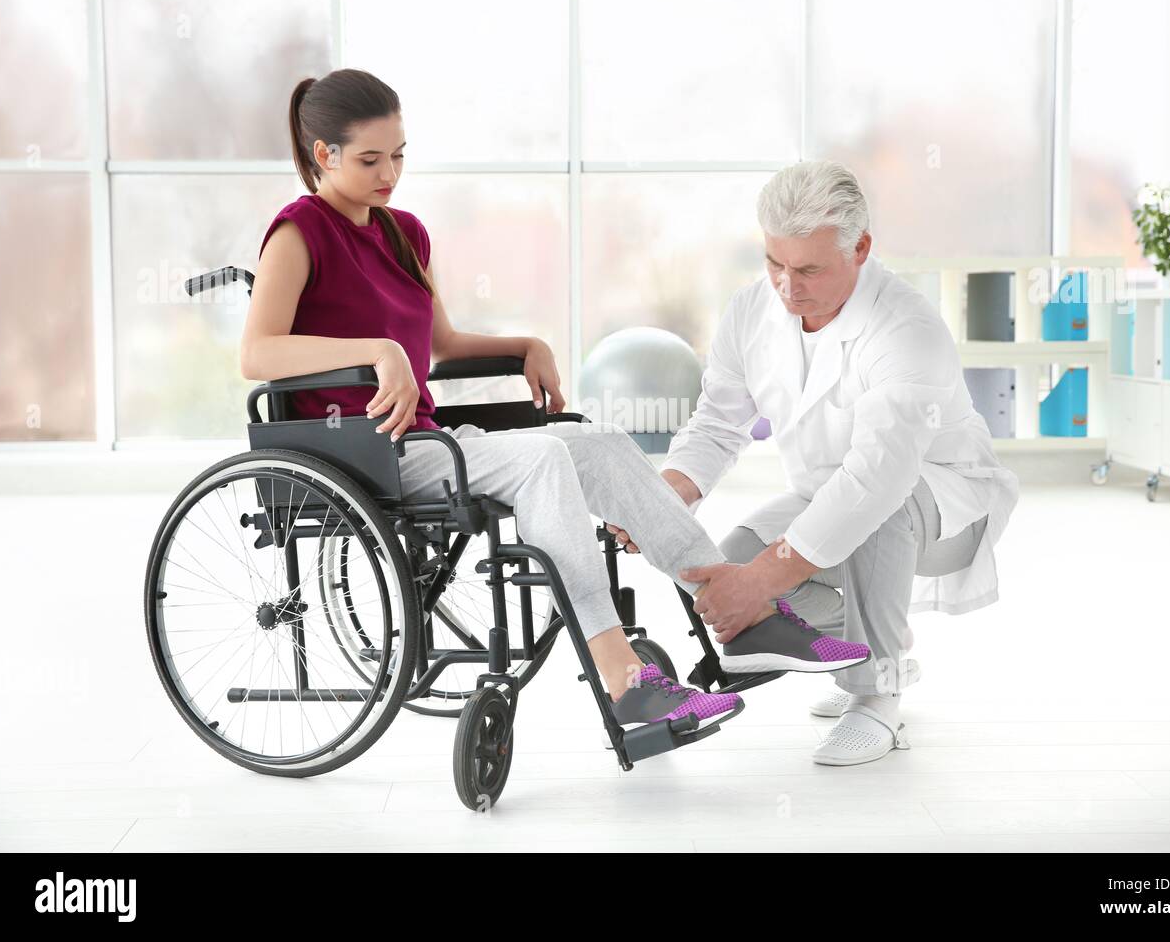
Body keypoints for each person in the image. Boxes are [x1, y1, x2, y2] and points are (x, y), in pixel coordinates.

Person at [240, 70, 870, 729]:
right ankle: (623, 677)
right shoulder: (300, 232)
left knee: (598, 441)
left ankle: (744, 617)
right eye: (370, 160)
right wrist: (376, 351)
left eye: (398, 155)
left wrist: (523, 344)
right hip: (363, 449)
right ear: (323, 155)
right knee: (543, 460)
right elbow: (257, 354)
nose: (389, 173)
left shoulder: (403, 234)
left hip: (428, 443)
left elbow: (442, 342)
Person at [612, 161, 1019, 764]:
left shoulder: (906, 329)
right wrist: (662, 500)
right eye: (774, 262)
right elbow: (717, 425)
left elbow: (876, 483)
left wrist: (761, 582)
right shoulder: (752, 311)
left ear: (861, 249)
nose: (787, 286)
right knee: (722, 569)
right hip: (826, 496)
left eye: (808, 268)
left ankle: (877, 694)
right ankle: (870, 640)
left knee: (872, 516)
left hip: (939, 508)